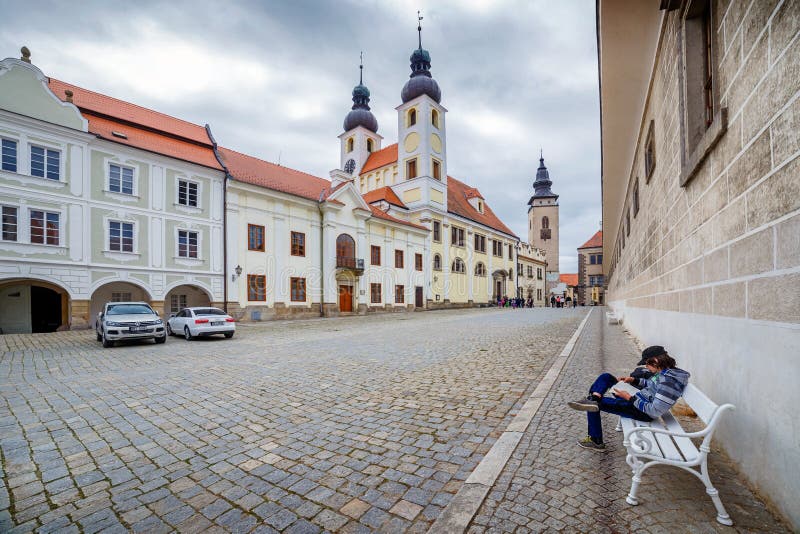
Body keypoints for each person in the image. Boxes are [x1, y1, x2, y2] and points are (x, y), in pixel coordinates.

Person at [567, 346, 690, 450]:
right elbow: (652, 386)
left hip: (641, 410)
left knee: (593, 405)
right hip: (637, 398)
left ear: (656, 361)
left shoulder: (668, 381)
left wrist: (629, 398)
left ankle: (595, 440)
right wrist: (634, 380)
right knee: (606, 377)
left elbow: (654, 410)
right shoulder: (666, 372)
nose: (646, 367)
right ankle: (594, 397)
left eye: (647, 364)